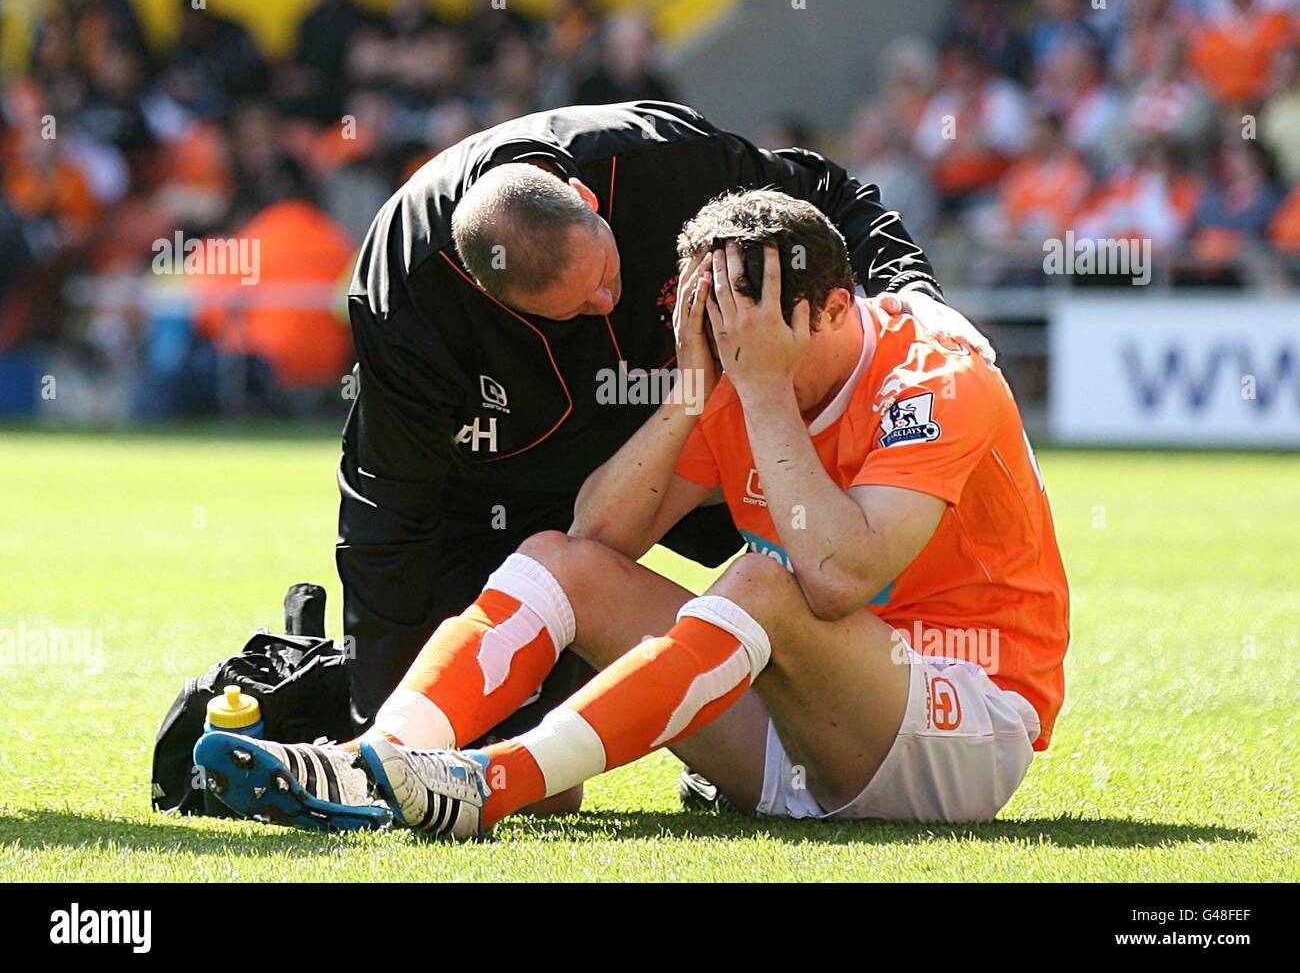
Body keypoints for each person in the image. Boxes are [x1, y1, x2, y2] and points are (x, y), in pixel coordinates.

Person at [196, 189, 1066, 835]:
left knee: (764, 581)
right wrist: (694, 392)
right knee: (558, 558)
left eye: (754, 323)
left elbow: (840, 578)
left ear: (837, 307)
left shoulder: (936, 375)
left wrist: (758, 388)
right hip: (803, 728)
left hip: (961, 729)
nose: (735, 342)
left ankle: (483, 784)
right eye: (716, 319)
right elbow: (597, 541)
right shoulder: (734, 368)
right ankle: (372, 763)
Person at [330, 100, 978, 816]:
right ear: (489, 295)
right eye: (575, 308)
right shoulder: (407, 291)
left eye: (609, 273)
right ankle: (367, 763)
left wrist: (918, 300)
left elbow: (828, 199)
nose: (608, 301)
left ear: (586, 198)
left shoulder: (662, 160)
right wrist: (378, 717)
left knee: (766, 578)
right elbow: (386, 514)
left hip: (701, 435)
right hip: (502, 480)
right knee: (549, 802)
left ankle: (497, 777)